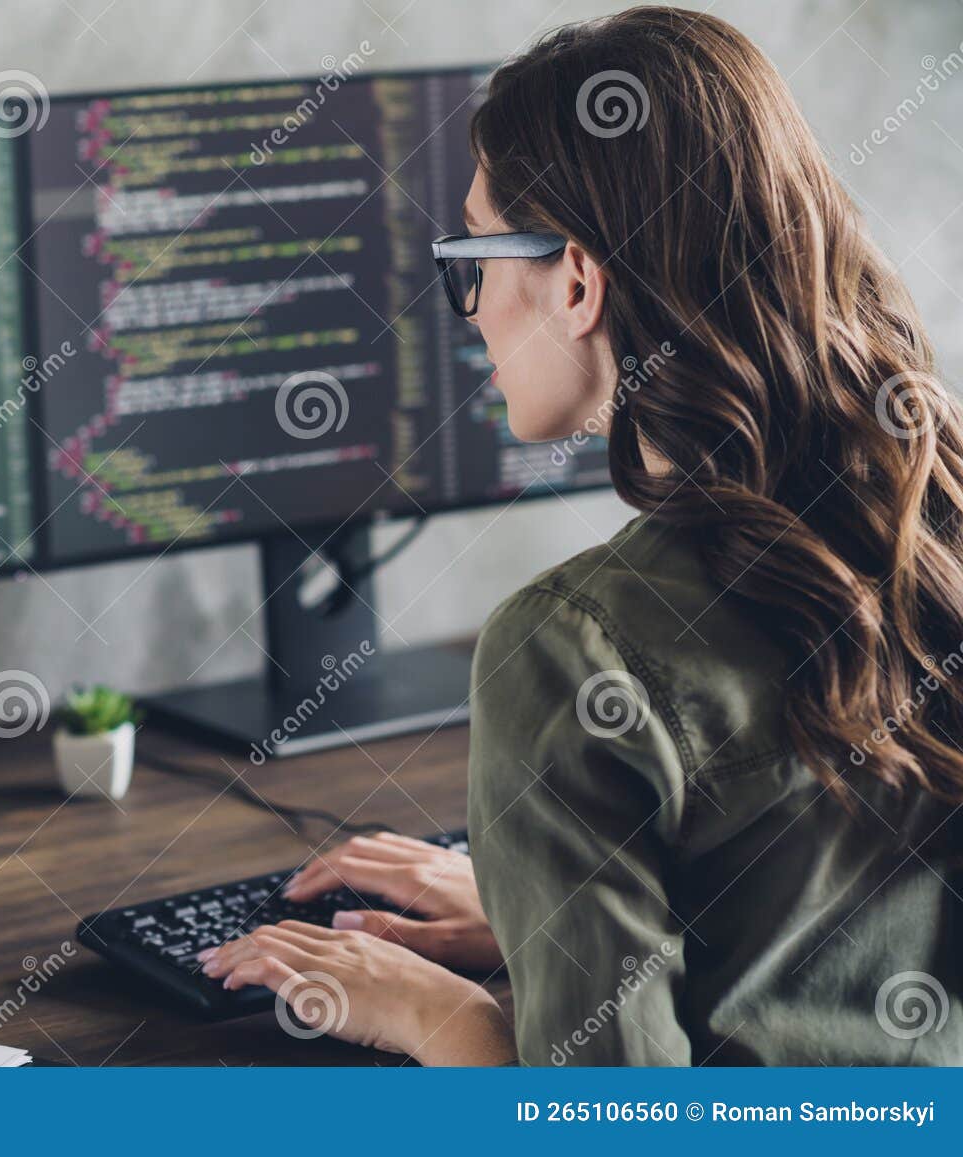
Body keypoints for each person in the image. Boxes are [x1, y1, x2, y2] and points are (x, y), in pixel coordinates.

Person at [199, 5, 963, 1066]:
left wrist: (437, 1011)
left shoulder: (569, 647)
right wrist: (547, 914)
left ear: (573, 279)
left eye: (470, 257)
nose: (466, 310)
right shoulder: (931, 516)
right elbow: (823, 932)